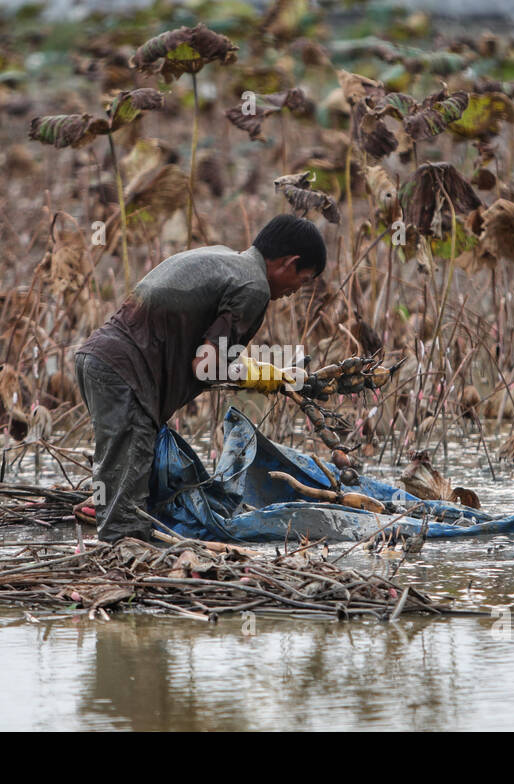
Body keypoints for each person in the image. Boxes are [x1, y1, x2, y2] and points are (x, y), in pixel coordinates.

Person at [74, 214, 327, 543]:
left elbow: (205, 353)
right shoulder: (254, 288)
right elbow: (205, 365)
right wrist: (266, 376)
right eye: (303, 280)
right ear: (288, 263)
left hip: (96, 360)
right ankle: (120, 565)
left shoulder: (225, 258)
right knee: (124, 514)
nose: (296, 291)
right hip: (125, 373)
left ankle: (104, 518)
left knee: (116, 467)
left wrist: (269, 372)